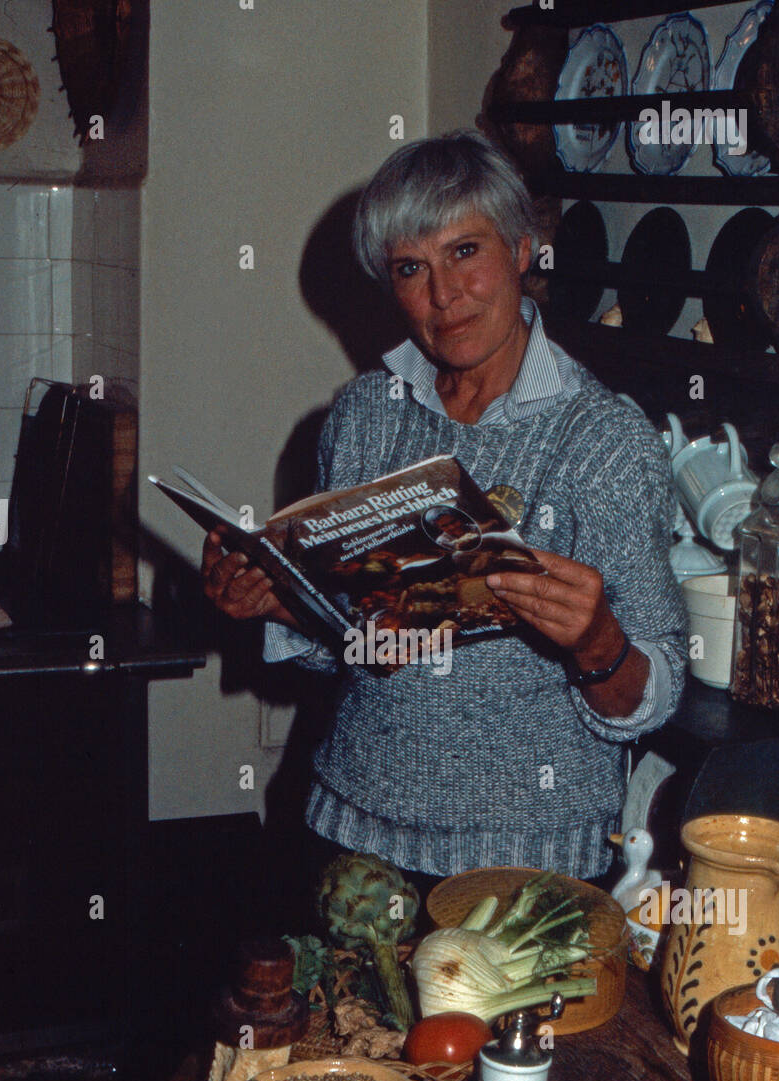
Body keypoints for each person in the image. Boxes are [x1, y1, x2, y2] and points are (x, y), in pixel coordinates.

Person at [203, 131, 688, 887]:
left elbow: (653, 696)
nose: (442, 294)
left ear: (522, 249)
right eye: (410, 268)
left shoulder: (605, 440)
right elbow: (361, 641)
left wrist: (595, 642)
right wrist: (277, 603)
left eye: (465, 251)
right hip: (351, 831)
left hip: (528, 863)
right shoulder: (363, 414)